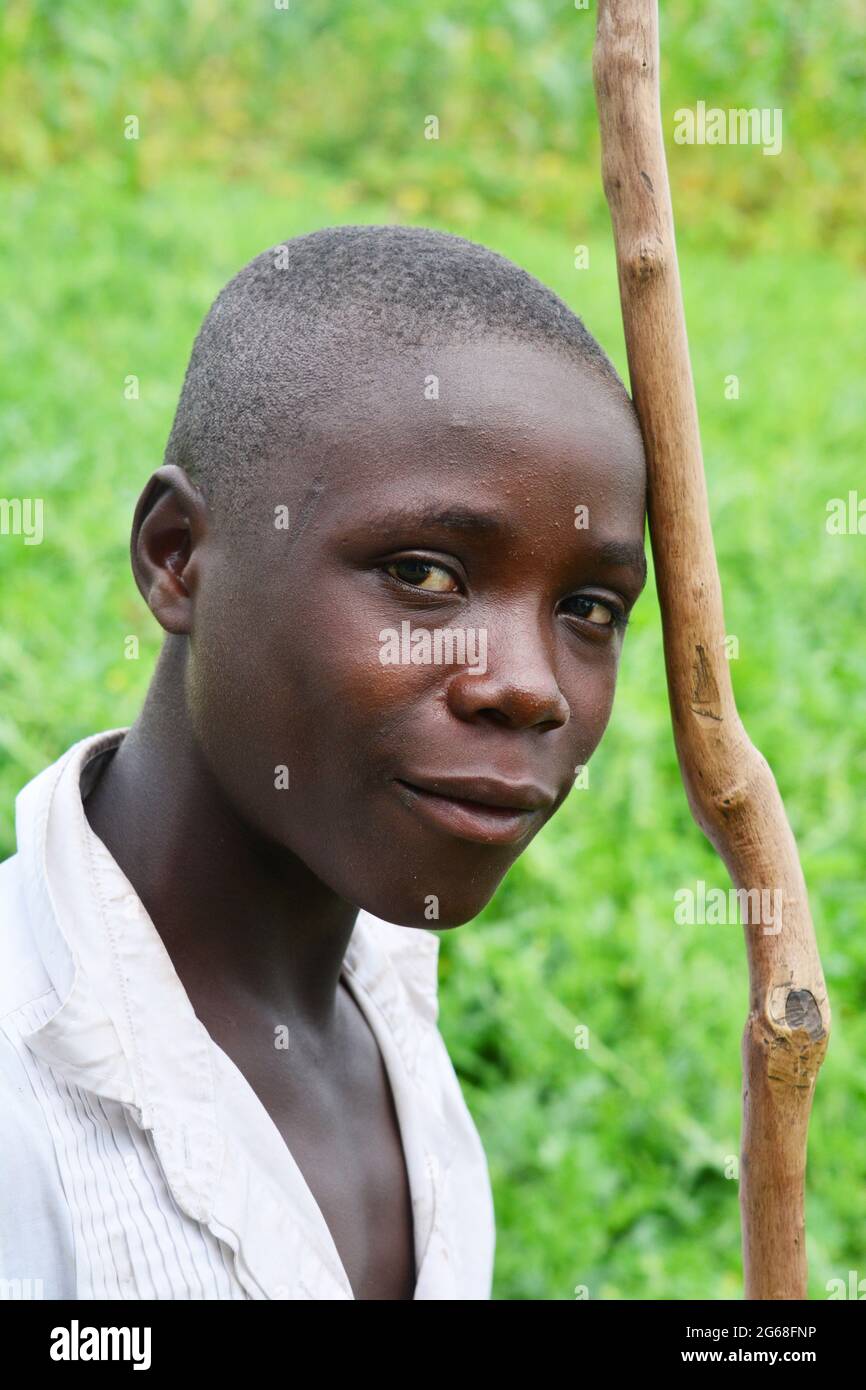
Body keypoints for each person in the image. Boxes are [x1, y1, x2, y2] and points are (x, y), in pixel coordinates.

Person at [0, 225, 647, 1300]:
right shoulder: (24, 1093)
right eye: (423, 573)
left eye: (586, 607)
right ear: (177, 556)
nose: (528, 685)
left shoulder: (396, 1022)